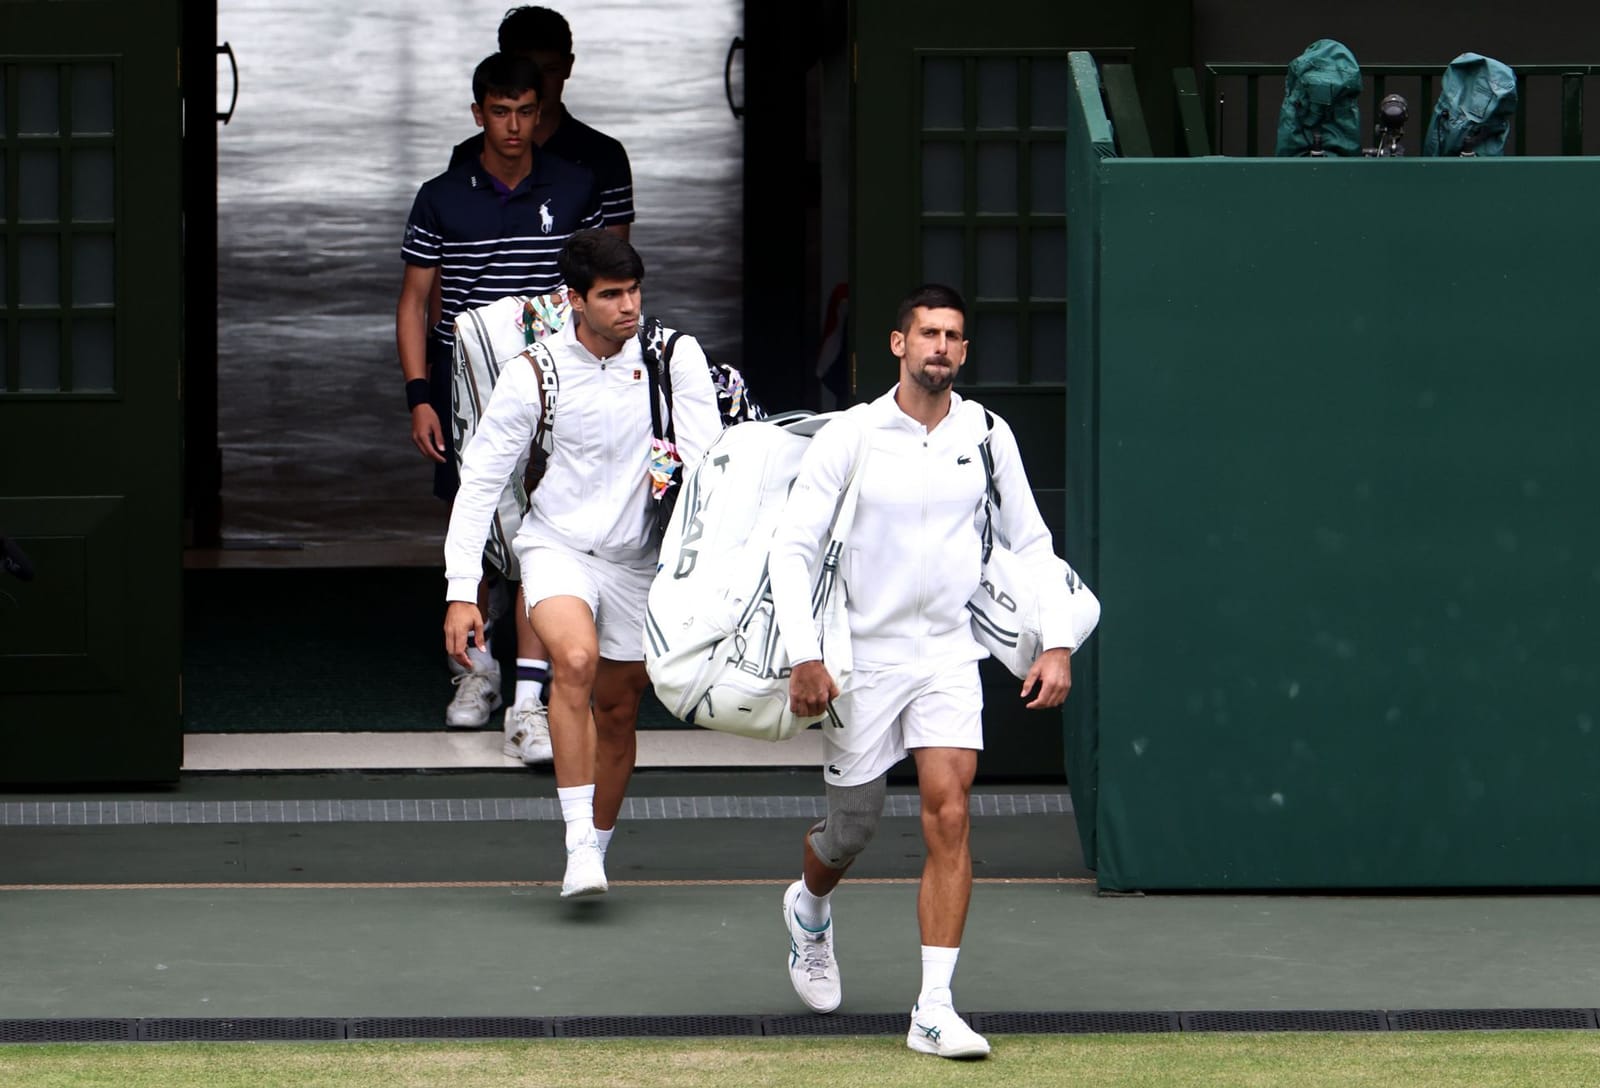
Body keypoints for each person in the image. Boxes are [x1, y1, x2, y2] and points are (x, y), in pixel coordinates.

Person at [766, 285, 1082, 1060]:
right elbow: (793, 547)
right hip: (860, 660)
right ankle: (808, 907)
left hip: (947, 654)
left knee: (950, 810)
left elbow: (1032, 544)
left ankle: (933, 1009)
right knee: (853, 829)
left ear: (964, 353)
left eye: (953, 337)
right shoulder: (852, 434)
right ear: (898, 345)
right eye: (928, 333)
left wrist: (1058, 640)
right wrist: (804, 652)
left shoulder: (987, 435)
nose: (941, 346)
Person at [442, 230, 720, 897]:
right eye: (611, 295)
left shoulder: (674, 357)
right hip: (557, 545)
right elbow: (480, 480)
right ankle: (576, 848)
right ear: (574, 300)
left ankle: (596, 843)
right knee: (573, 661)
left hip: (641, 562)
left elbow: (714, 468)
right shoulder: (533, 372)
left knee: (619, 711)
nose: (629, 307)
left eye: (634, 291)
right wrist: (460, 590)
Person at [397, 51, 601, 755]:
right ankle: (476, 673)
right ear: (478, 112)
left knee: (545, 532)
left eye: (525, 112)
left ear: (540, 114)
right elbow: (416, 301)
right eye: (500, 111)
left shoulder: (577, 190)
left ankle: (528, 701)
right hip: (466, 387)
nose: (513, 126)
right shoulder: (441, 195)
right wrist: (419, 395)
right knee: (479, 532)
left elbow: (601, 294)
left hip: (556, 384)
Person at [448, 6, 634, 238]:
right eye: (529, 71)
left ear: (568, 66)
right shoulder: (469, 157)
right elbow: (454, 251)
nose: (540, 84)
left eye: (550, 70)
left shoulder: (603, 156)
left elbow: (613, 259)